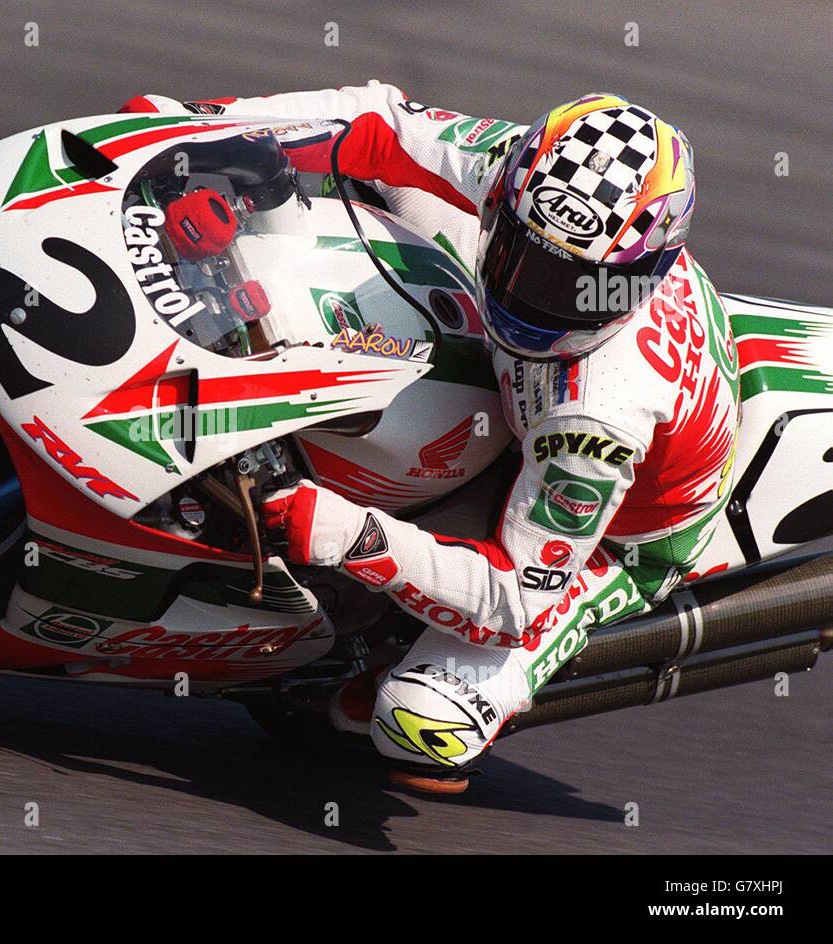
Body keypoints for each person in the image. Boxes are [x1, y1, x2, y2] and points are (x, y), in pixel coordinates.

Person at [122, 84, 739, 789]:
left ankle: (390, 654)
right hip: (532, 389)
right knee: (367, 171)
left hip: (621, 537)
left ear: (631, 285)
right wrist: (204, 124)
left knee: (418, 721)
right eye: (517, 250)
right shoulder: (529, 175)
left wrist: (349, 534)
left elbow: (515, 602)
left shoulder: (596, 419)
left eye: (565, 284)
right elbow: (379, 122)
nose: (521, 291)